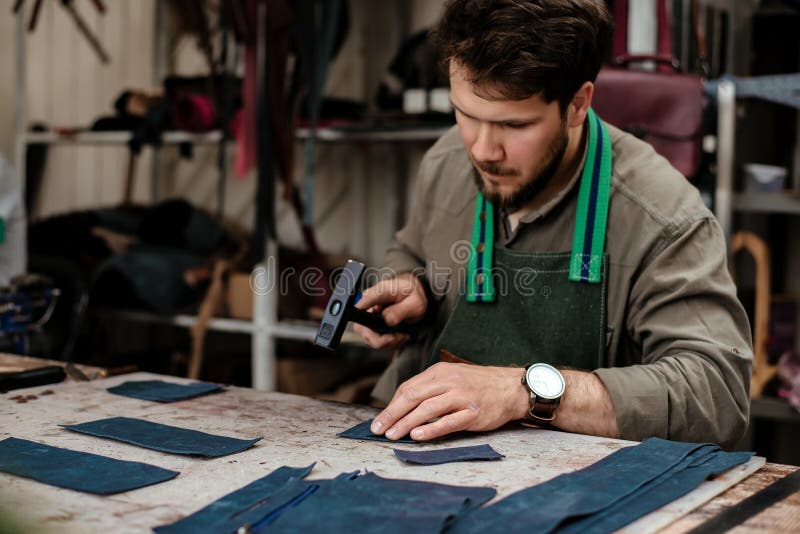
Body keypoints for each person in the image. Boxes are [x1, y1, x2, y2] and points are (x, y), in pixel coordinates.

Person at [353, 0, 752, 448]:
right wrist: (413, 286)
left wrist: (524, 392)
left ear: (578, 104)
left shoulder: (661, 216)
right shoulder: (445, 163)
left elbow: (716, 396)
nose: (483, 150)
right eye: (465, 114)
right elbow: (409, 250)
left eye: (514, 124)